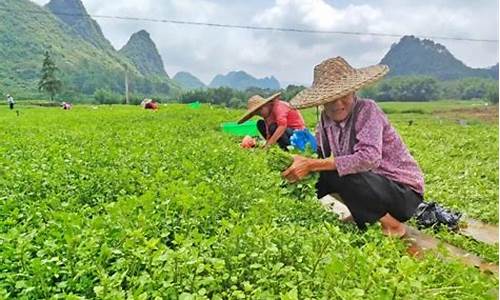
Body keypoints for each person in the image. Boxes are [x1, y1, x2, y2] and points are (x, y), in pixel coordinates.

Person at [282, 57, 424, 237]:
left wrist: (311, 164)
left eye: (344, 96)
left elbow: (368, 158)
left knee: (345, 172)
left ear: (354, 92)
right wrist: (299, 164)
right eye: (331, 99)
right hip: (372, 187)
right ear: (322, 102)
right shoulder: (326, 119)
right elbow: (321, 155)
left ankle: (392, 224)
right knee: (325, 174)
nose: (338, 104)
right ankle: (360, 211)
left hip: (403, 194)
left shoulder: (367, 110)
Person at [237, 93, 306, 150]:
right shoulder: (268, 115)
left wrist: (268, 146)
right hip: (285, 133)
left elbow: (282, 126)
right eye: (258, 114)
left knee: (273, 127)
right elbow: (268, 131)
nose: (261, 115)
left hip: (298, 135)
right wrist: (268, 142)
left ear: (265, 105)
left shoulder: (279, 107)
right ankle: (277, 146)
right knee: (260, 123)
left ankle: (285, 149)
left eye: (260, 112)